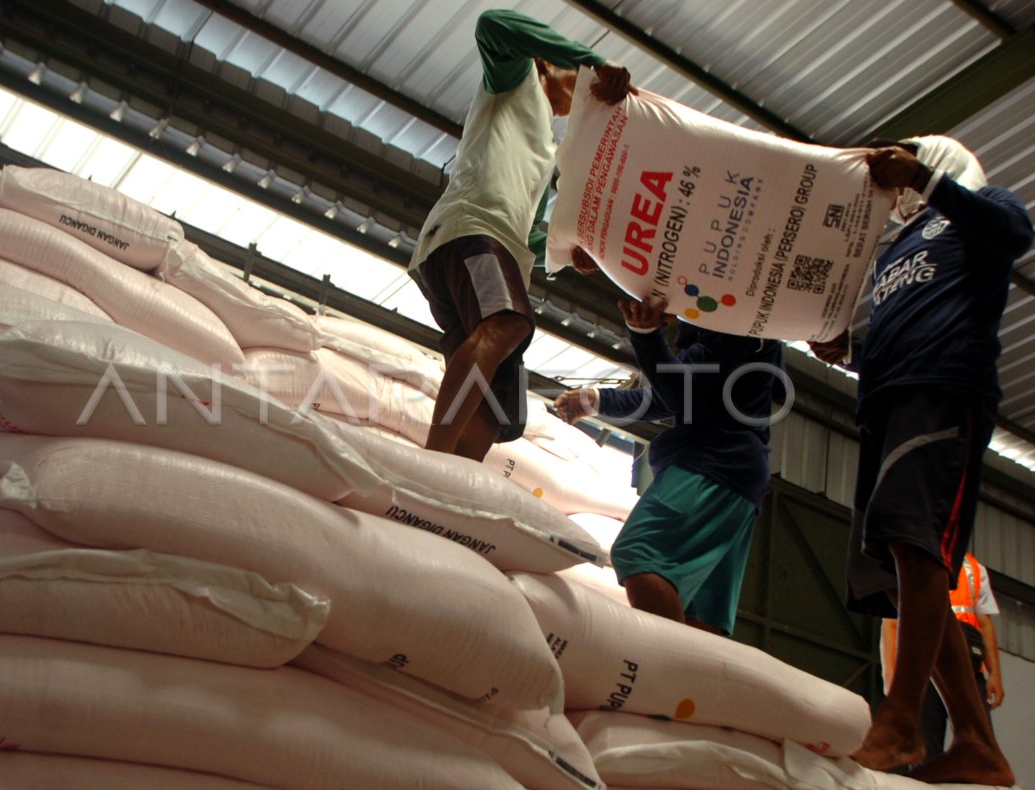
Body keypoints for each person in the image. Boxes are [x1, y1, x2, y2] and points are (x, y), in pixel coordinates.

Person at [810, 135, 1031, 785]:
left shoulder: (981, 204)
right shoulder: (897, 250)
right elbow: (894, 334)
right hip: (886, 402)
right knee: (895, 570)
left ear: (938, 161)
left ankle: (901, 719)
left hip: (944, 390)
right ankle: (976, 745)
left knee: (915, 539)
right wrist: (846, 351)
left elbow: (1015, 234)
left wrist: (931, 181)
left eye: (910, 164)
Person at [409, 9, 629, 461]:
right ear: (546, 64)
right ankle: (427, 465)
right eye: (576, 75)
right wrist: (590, 60)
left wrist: (570, 248)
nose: (584, 86)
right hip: (470, 230)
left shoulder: (549, 148)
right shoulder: (515, 80)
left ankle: (445, 489)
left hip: (494, 247)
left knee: (495, 414)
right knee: (505, 323)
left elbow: (528, 235)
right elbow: (491, 24)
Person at [555, 297, 785, 636]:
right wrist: (598, 401)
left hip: (714, 461)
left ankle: (662, 673)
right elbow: (674, 396)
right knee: (702, 617)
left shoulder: (733, 319)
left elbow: (680, 393)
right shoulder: (733, 324)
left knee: (638, 554)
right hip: (737, 474)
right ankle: (692, 687)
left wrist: (645, 335)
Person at [880, 552, 1005, 763]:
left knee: (980, 748)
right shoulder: (909, 561)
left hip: (970, 671)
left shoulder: (973, 569)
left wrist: (995, 675)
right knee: (925, 750)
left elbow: (984, 625)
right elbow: (891, 623)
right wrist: (890, 674)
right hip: (924, 672)